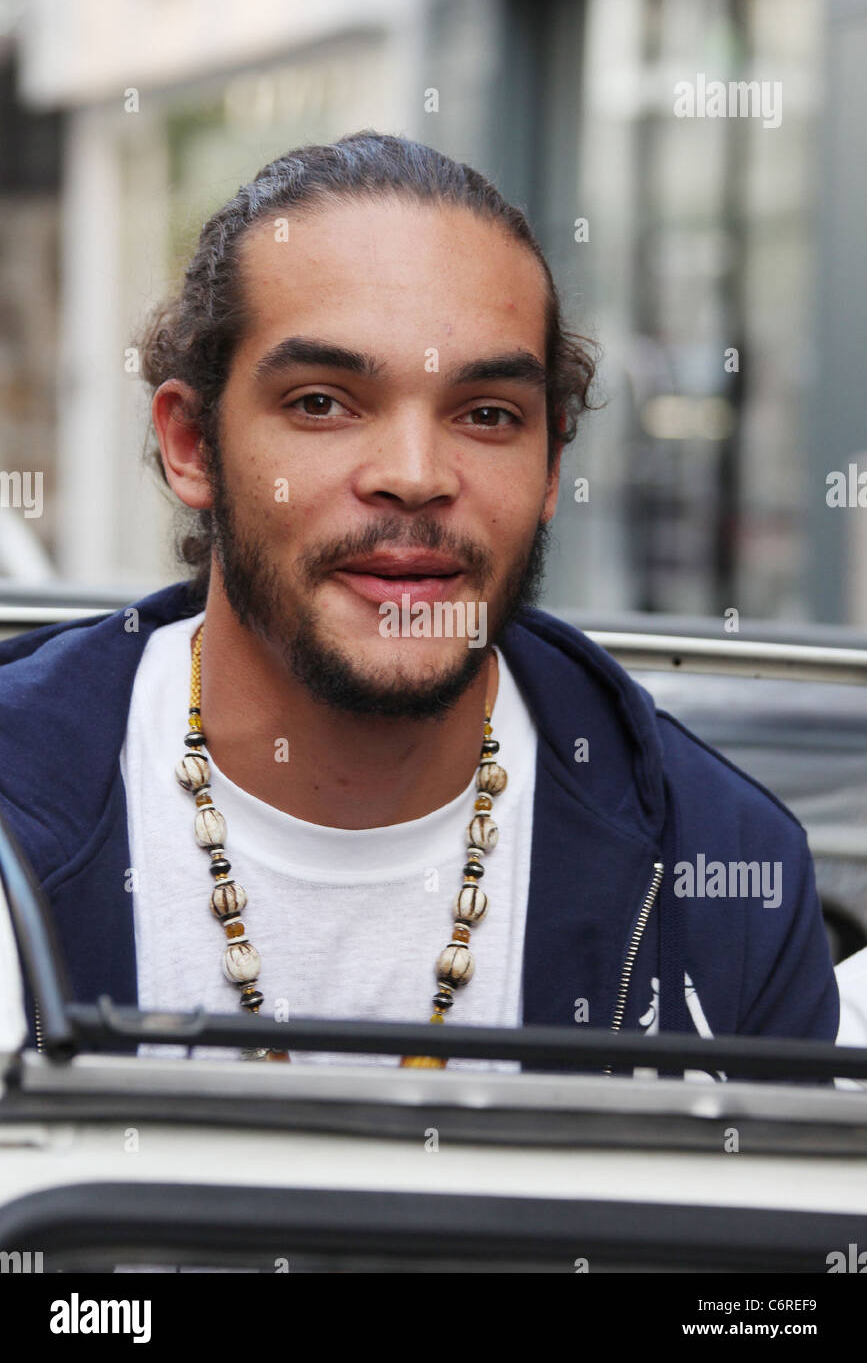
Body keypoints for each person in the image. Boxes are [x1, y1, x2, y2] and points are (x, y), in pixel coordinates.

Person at [0, 130, 838, 1071]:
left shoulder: (720, 868)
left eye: (486, 414)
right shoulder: (17, 802)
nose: (414, 476)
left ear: (552, 465)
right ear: (193, 445)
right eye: (323, 402)